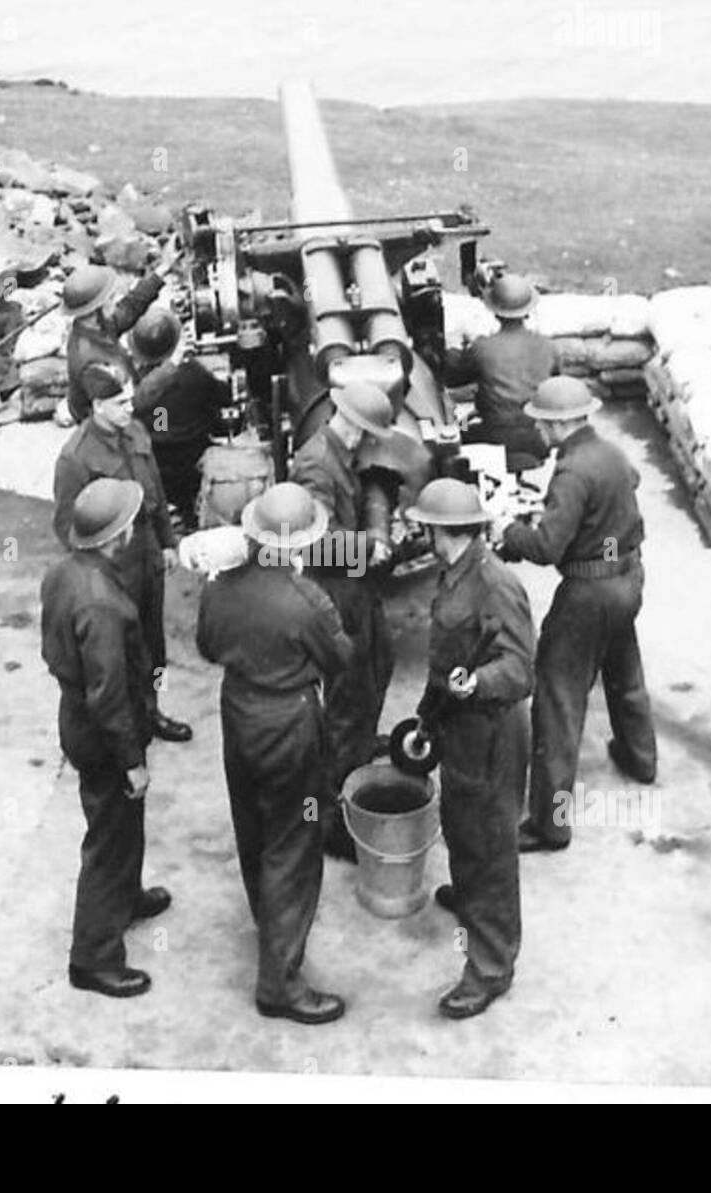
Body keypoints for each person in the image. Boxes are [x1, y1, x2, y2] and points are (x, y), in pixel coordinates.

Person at [196, 483, 354, 1024]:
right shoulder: (306, 600)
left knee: (253, 826)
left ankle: (270, 922)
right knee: (293, 841)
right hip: (289, 722)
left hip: (237, 710)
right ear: (298, 544)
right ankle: (280, 984)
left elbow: (206, 647)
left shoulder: (221, 586)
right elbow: (340, 656)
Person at [499, 376, 657, 853]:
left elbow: (547, 548)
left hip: (588, 594)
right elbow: (631, 481)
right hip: (628, 579)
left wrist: (508, 530)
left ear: (561, 422)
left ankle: (550, 823)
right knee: (624, 672)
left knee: (558, 701)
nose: (540, 432)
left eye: (544, 424)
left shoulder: (571, 473)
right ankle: (640, 757)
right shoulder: (610, 452)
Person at [406, 478, 536, 1020]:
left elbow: (521, 667)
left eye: (424, 527)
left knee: (491, 843)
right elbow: (448, 653)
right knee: (462, 822)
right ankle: (469, 895)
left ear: (440, 530)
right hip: (460, 726)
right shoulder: (456, 572)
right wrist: (428, 715)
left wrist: (476, 685)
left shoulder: (492, 582)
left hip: (492, 731)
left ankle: (490, 965)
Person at [40, 478, 169, 998]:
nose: (137, 528)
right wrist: (132, 761)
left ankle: (126, 898)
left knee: (122, 823)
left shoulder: (64, 571)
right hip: (103, 733)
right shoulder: (102, 604)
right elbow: (109, 694)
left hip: (80, 717)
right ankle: (93, 958)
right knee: (107, 839)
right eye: (131, 522)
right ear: (117, 538)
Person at [53, 362, 192, 743]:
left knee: (155, 647)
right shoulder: (75, 459)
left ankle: (154, 709)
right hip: (113, 567)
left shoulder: (136, 432)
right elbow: (67, 528)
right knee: (120, 651)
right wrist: (96, 577)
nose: (129, 408)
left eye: (130, 399)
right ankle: (126, 726)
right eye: (119, 403)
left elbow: (157, 492)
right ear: (97, 405)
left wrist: (168, 542)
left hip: (146, 552)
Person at [289, 382, 398, 855]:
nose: (369, 441)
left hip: (355, 584)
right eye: (366, 432)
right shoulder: (315, 463)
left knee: (380, 663)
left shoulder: (340, 452)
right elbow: (312, 542)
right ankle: (330, 817)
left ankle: (358, 747)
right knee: (347, 696)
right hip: (335, 587)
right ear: (348, 422)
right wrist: (369, 547)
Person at [445, 272, 558, 472]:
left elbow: (452, 378)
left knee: (457, 430)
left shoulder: (483, 348)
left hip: (494, 436)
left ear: (495, 311)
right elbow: (557, 387)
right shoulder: (548, 347)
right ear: (528, 311)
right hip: (538, 438)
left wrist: (453, 347)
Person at [130, 308, 231, 530]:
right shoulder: (192, 374)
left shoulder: (141, 387)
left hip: (164, 463)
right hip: (195, 454)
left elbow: (161, 425)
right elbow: (224, 396)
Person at [64, 242, 181, 422]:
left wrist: (161, 272)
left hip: (122, 399)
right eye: (110, 298)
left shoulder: (94, 326)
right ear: (95, 309)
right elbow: (130, 403)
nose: (115, 300)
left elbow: (129, 308)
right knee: (163, 410)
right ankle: (161, 443)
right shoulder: (91, 364)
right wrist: (171, 366)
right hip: (113, 427)